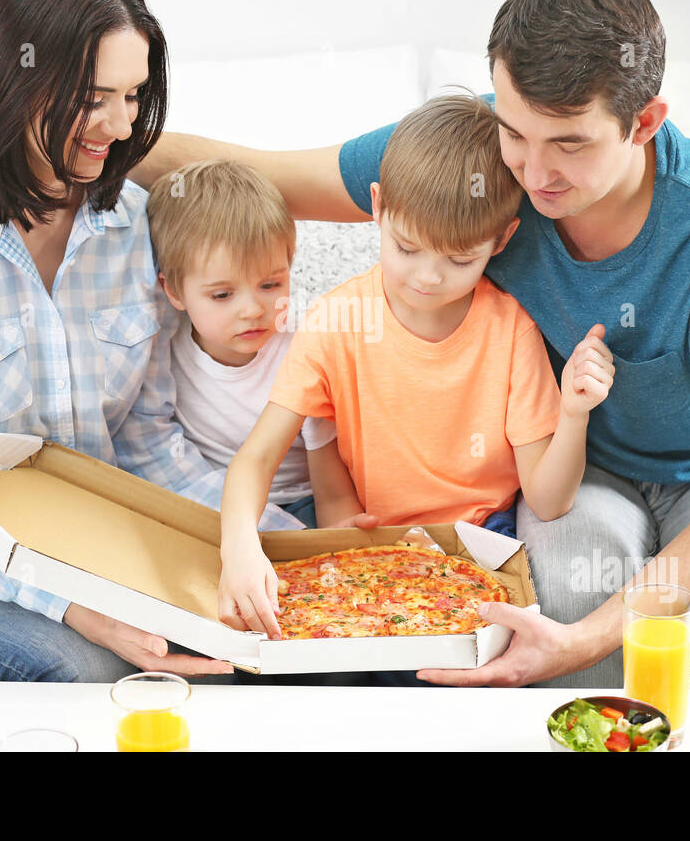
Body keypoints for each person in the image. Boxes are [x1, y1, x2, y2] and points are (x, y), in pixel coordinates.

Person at [130, 0, 690, 690]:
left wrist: (582, 641)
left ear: (644, 122)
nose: (532, 173)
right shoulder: (471, 170)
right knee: (557, 596)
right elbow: (258, 174)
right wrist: (96, 140)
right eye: (515, 132)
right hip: (585, 462)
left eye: (568, 143)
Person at [0, 0, 287, 684]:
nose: (120, 125)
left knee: (270, 638)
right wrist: (76, 606)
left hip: (93, 543)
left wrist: (275, 543)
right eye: (93, 97)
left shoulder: (133, 228)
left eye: (133, 94)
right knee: (84, 671)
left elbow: (147, 443)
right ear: (15, 83)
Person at [216, 92, 614, 640]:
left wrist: (574, 414)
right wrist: (238, 547)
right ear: (376, 207)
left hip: (483, 542)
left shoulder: (511, 328)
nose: (428, 277)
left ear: (501, 239)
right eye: (405, 248)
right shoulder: (337, 319)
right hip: (372, 545)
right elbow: (255, 459)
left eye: (458, 260)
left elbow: (547, 501)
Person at [144, 158, 352, 530]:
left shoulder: (301, 351)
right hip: (210, 500)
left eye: (270, 285)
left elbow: (333, 491)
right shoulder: (162, 351)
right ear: (173, 291)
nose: (253, 310)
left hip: (299, 503)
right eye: (223, 294)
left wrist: (340, 544)